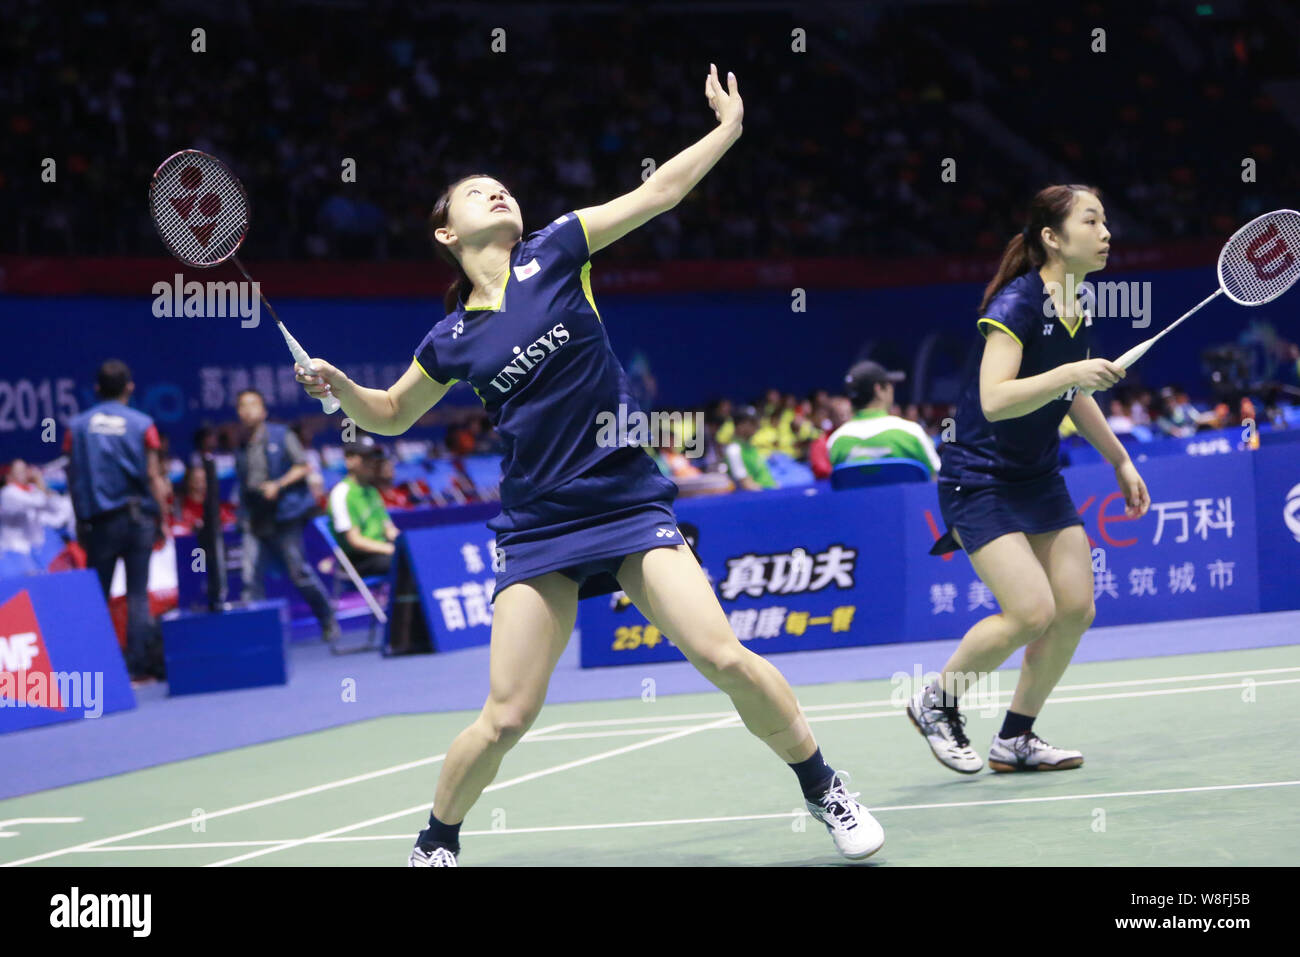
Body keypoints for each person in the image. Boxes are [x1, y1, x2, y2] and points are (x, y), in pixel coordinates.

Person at [296, 65, 883, 867]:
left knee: (723, 657)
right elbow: (391, 414)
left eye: (502, 188)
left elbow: (658, 195)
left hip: (627, 504)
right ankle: (437, 841)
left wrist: (726, 130)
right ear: (445, 235)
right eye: (478, 194)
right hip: (539, 525)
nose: (498, 195)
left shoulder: (560, 251)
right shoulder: (451, 339)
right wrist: (340, 388)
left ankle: (825, 786)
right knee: (506, 715)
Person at [914, 185, 1150, 774]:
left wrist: (1120, 458)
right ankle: (936, 701)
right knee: (1029, 612)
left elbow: (1072, 395)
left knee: (1075, 608)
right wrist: (1071, 370)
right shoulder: (1018, 305)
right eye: (1091, 221)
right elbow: (996, 400)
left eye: (1106, 221)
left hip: (1037, 475)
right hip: (980, 476)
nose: (1105, 234)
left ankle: (1015, 737)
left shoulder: (1078, 300)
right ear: (1052, 237)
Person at [64, 360, 170, 681]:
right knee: (138, 594)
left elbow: (72, 476)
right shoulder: (142, 423)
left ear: (96, 388)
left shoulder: (76, 427)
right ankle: (136, 671)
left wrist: (81, 520)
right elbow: (153, 475)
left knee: (97, 595)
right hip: (138, 519)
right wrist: (163, 518)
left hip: (98, 522)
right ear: (130, 387)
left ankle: (96, 671)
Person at [233, 388, 340, 643]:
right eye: (242, 406)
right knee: (249, 577)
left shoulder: (282, 435)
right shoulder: (240, 444)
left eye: (253, 404)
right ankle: (256, 635)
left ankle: (327, 619)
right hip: (255, 517)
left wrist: (278, 485)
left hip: (285, 514)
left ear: (263, 410)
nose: (247, 410)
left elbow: (303, 466)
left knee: (299, 572)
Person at [826, 360, 941, 477]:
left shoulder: (835, 442)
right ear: (878, 390)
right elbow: (937, 480)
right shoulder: (911, 433)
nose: (892, 389)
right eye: (889, 384)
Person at [328, 443, 398, 578]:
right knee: (403, 561)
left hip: (381, 549)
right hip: (358, 558)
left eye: (373, 458)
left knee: (415, 553)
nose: (371, 463)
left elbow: (389, 528)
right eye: (365, 458)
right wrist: (389, 549)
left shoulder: (371, 491)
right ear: (349, 461)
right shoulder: (341, 493)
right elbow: (354, 540)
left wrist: (405, 543)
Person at [723, 406, 778, 490]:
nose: (757, 425)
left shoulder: (751, 447)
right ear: (740, 426)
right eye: (752, 422)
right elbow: (747, 485)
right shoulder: (733, 450)